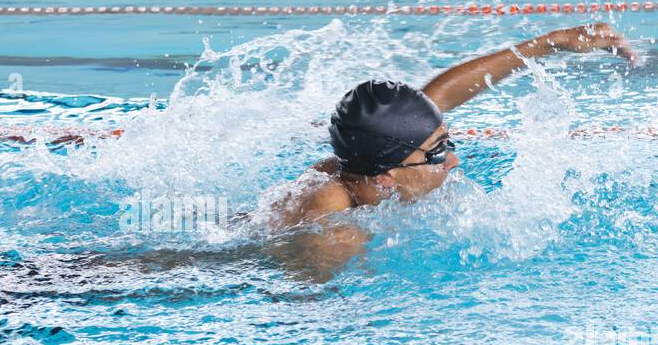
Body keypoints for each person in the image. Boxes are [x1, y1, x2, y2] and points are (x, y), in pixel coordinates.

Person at [268, 22, 636, 279]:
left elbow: (438, 97)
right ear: (386, 176)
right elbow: (306, 312)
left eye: (447, 143)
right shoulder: (334, 232)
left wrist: (550, 43)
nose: (454, 161)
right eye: (438, 152)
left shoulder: (368, 160)